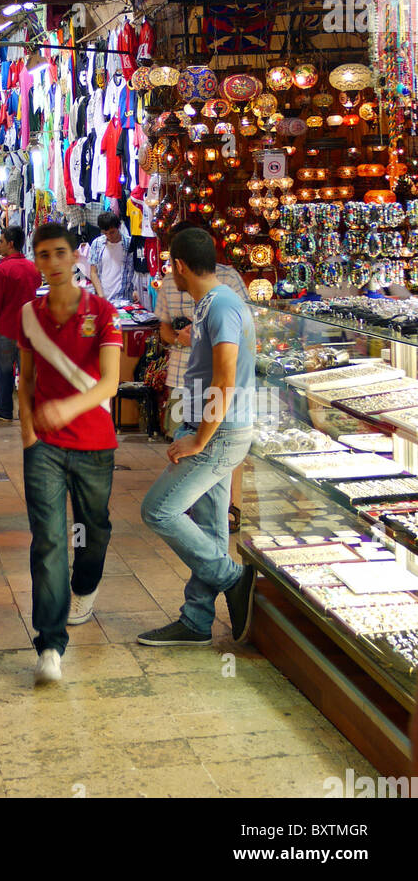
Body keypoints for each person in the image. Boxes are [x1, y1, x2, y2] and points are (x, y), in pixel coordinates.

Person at [138, 226, 257, 648]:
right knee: (209, 527)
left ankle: (234, 580)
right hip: (215, 427)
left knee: (158, 510)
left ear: (180, 266)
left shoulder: (222, 305)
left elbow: (225, 377)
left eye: (171, 266)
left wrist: (201, 439)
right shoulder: (215, 303)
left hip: (219, 432)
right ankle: (197, 619)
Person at [18, 223, 121, 684]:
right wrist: (28, 431)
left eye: (61, 253)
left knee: (92, 530)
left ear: (74, 257)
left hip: (96, 442)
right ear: (36, 260)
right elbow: (24, 380)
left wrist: (66, 409)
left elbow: (111, 383)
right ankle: (50, 644)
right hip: (44, 448)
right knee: (49, 540)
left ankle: (86, 586)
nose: (54, 262)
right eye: (45, 255)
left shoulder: (103, 311)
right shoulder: (28, 315)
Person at [156, 219, 249, 440]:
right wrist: (182, 339)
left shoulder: (226, 284)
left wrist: (199, 339)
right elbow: (164, 331)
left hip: (219, 381)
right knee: (181, 441)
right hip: (182, 376)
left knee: (220, 443)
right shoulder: (170, 282)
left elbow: (239, 333)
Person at [0, 224, 41, 421]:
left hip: (7, 328)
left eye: (1, 242)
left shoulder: (3, 269)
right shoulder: (33, 268)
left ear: (10, 244)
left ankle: (5, 409)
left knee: (4, 371)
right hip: (29, 330)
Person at [87, 211, 138, 306]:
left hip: (124, 300)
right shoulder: (97, 244)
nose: (109, 236)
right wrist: (100, 295)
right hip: (103, 299)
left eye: (112, 232)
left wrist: (136, 290)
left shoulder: (130, 243)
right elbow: (93, 272)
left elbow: (135, 271)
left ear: (118, 227)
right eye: (105, 233)